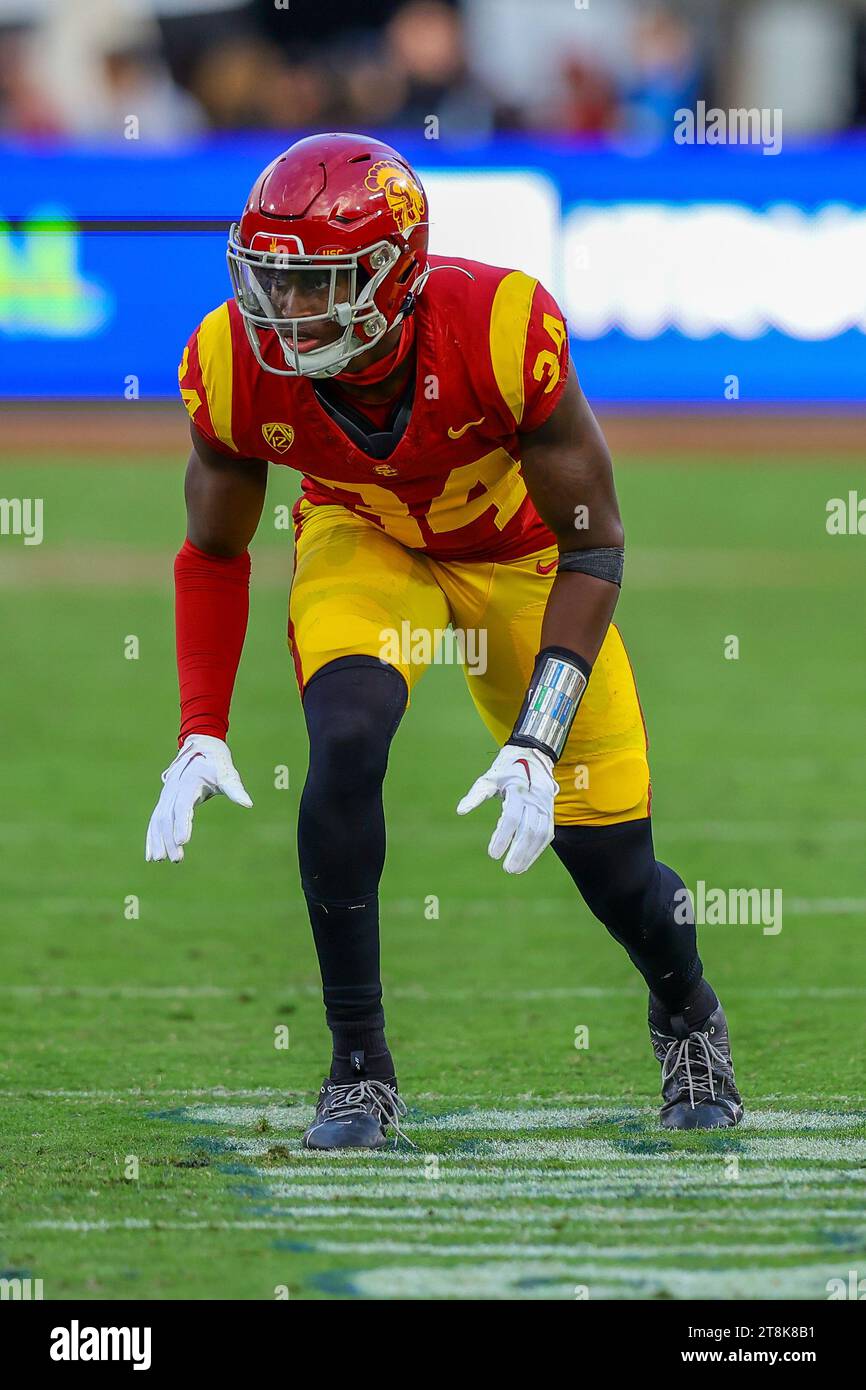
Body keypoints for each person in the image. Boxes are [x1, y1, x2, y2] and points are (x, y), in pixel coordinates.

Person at [145, 132, 743, 1148]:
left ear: (394, 275)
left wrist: (537, 736)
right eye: (272, 281)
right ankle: (356, 1068)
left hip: (521, 560)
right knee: (343, 737)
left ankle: (686, 1014)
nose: (285, 312)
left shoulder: (501, 328)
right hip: (363, 535)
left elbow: (592, 553)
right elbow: (211, 549)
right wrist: (200, 726)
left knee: (609, 859)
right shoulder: (230, 364)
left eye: (317, 283)